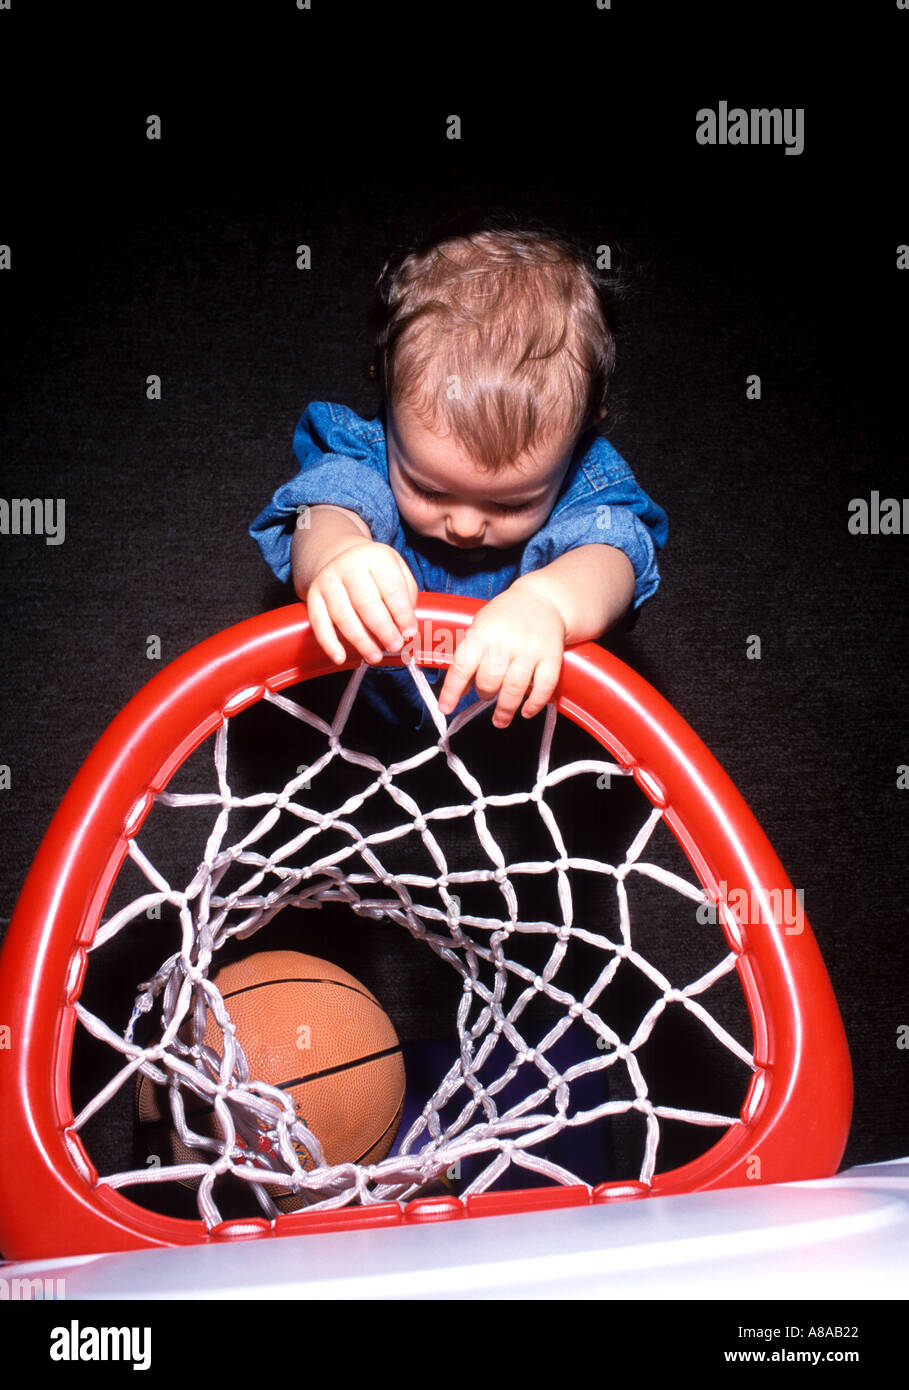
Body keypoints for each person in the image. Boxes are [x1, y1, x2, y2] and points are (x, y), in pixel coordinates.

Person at [250, 225, 667, 731]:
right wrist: (337, 555)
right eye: (429, 489)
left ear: (582, 431)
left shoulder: (587, 480)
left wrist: (548, 602)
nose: (466, 526)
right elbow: (324, 507)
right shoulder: (368, 450)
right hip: (366, 713)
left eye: (510, 504)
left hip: (508, 728)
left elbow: (614, 555)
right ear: (389, 404)